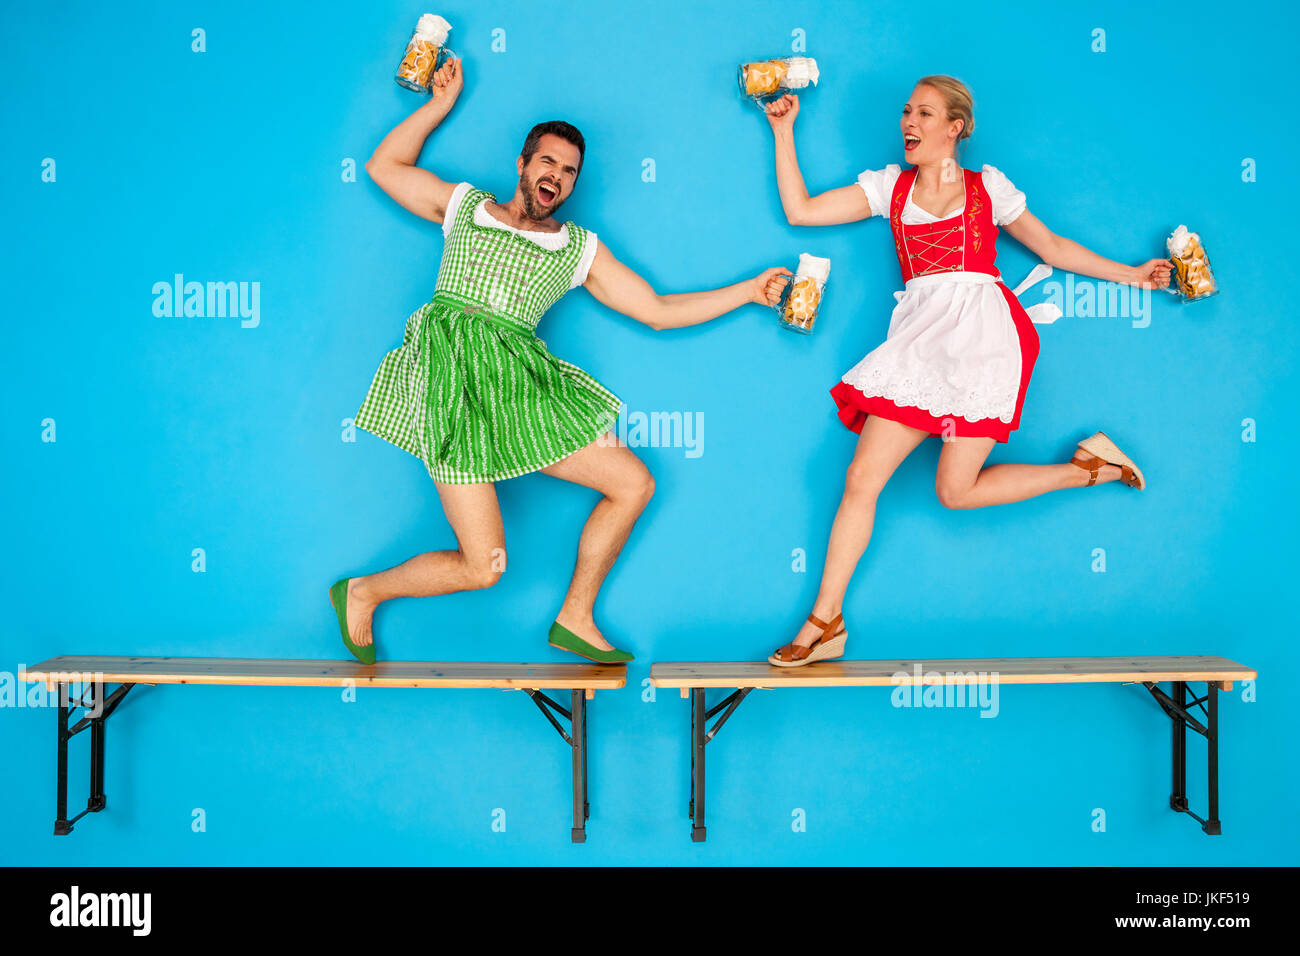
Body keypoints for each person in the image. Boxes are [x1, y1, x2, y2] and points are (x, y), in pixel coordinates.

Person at [330, 57, 791, 665]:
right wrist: (436, 106)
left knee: (632, 482)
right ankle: (362, 590)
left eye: (570, 172)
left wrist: (749, 292)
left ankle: (575, 615)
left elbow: (655, 308)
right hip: (450, 393)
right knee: (483, 565)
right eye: (548, 161)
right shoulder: (464, 207)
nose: (558, 176)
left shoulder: (577, 248)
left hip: (520, 396)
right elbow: (384, 167)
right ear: (522, 165)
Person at [761, 75, 1173, 667]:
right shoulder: (889, 188)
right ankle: (824, 623)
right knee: (861, 479)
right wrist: (783, 129)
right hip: (919, 344)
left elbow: (1051, 247)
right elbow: (800, 212)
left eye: (925, 113)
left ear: (955, 128)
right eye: (906, 112)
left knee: (954, 491)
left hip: (985, 341)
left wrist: (1133, 275)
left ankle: (1090, 470)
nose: (909, 122)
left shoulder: (988, 188)